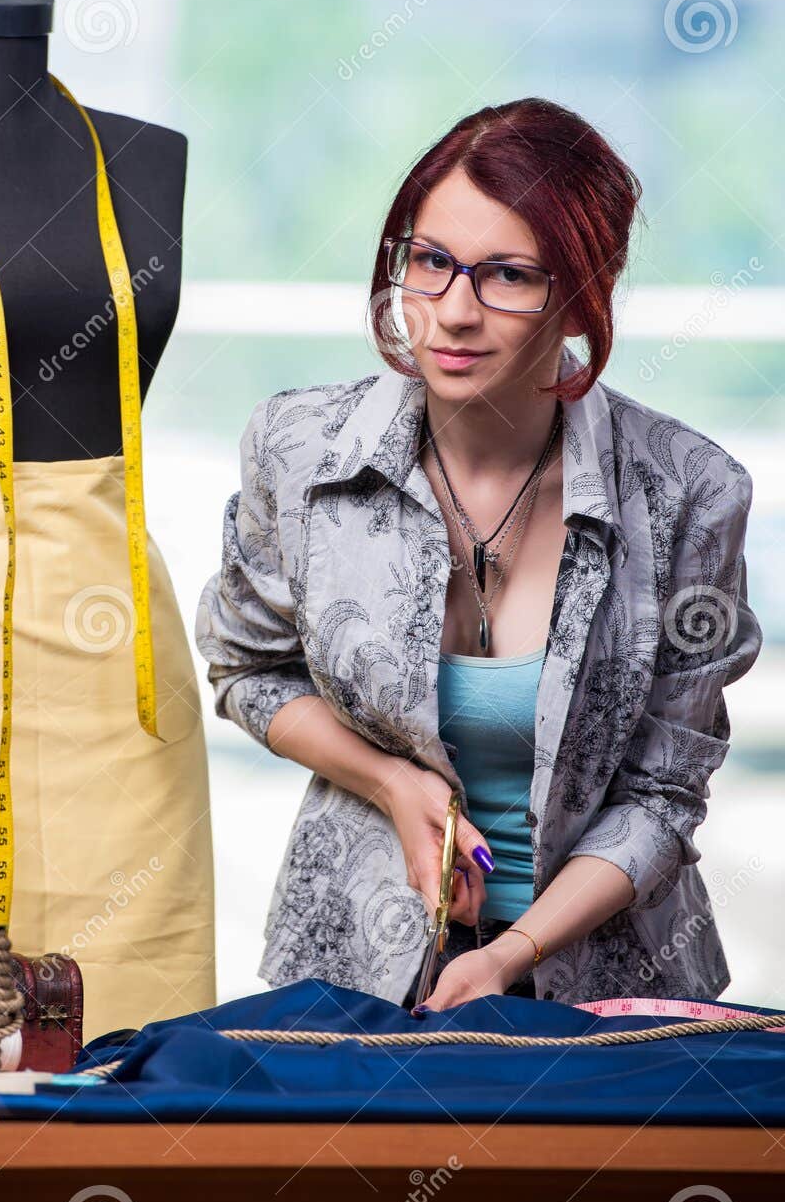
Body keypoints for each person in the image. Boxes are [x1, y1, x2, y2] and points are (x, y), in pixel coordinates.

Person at [195, 97, 762, 1011]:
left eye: (507, 275)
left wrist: (511, 955)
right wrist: (389, 780)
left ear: (583, 291)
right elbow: (248, 669)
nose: (453, 313)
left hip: (609, 998)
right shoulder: (298, 451)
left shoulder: (692, 491)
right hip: (353, 976)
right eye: (430, 263)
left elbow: (664, 794)